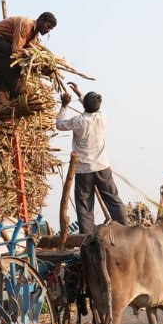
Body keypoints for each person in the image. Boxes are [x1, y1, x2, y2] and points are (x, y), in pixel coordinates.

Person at [56, 83, 126, 235]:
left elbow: (60, 125)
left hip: (83, 170)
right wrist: (80, 94)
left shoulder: (78, 121)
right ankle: (125, 231)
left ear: (85, 105)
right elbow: (92, 107)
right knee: (113, 200)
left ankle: (87, 239)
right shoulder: (102, 118)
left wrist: (64, 106)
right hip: (102, 167)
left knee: (85, 207)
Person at [0, 12, 57, 104]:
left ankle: (1, 103)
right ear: (41, 20)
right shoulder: (26, 24)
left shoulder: (34, 36)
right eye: (48, 26)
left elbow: (30, 51)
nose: (48, 30)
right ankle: (20, 95)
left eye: (51, 29)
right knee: (14, 64)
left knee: (2, 70)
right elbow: (16, 51)